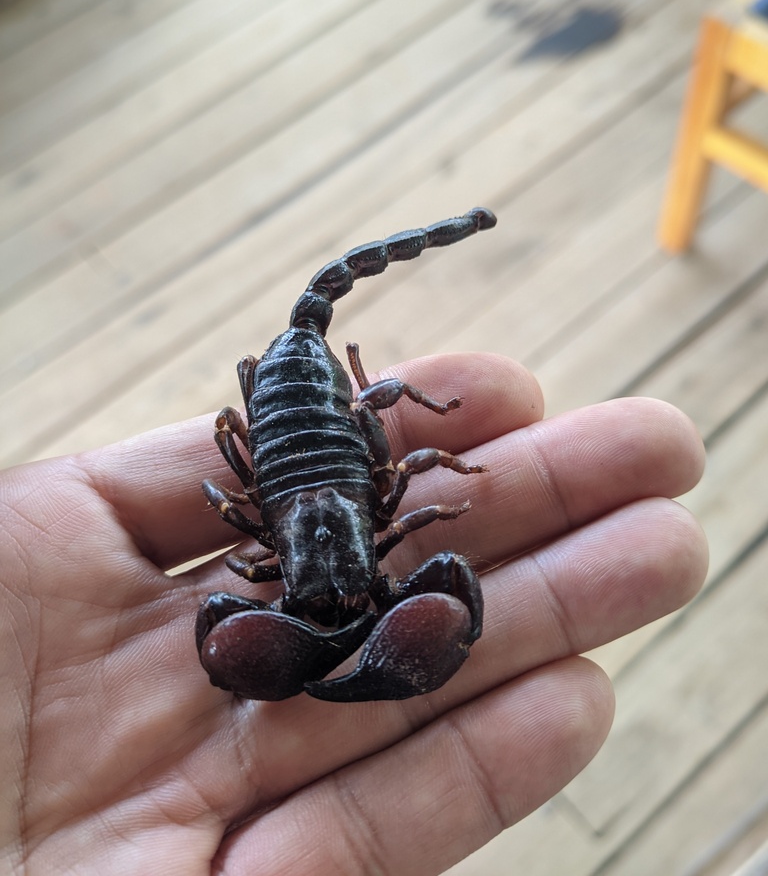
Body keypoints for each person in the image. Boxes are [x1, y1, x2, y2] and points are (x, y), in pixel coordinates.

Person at [0, 354, 706, 874]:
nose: (340, 608)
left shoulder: (324, 543)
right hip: (294, 452)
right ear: (267, 559)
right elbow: (223, 611)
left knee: (381, 430)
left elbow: (438, 548)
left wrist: (449, 475)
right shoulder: (275, 552)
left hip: (298, 445)